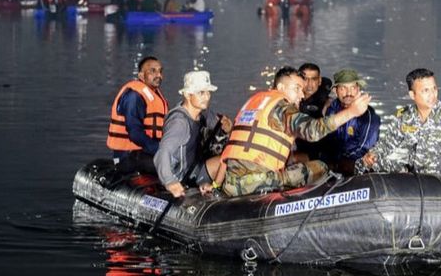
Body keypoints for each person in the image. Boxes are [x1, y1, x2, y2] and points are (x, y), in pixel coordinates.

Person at [219, 66, 371, 197]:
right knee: (321, 168)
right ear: (281, 88)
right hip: (255, 183)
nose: (302, 95)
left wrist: (215, 185)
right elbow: (312, 131)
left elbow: (230, 151)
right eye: (297, 89)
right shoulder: (282, 107)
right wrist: (351, 112)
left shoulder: (252, 104)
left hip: (231, 183)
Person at [359, 68, 441, 191]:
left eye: (434, 89)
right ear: (412, 94)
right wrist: (373, 155)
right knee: (365, 162)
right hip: (415, 178)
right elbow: (387, 144)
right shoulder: (405, 117)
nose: (432, 95)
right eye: (425, 91)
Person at [154, 71, 232, 198]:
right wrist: (169, 182)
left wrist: (227, 127)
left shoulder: (203, 113)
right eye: (201, 93)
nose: (207, 97)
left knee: (229, 156)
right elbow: (162, 153)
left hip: (195, 167)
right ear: (187, 94)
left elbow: (220, 125)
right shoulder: (179, 123)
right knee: (227, 161)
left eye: (208, 92)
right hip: (181, 177)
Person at [107, 56, 168, 174]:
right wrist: (160, 150)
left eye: (160, 71)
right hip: (128, 156)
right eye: (153, 71)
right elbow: (135, 133)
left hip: (145, 152)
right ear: (141, 75)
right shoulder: (133, 96)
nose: (158, 75)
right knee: (173, 167)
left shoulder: (156, 96)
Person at [320, 69, 380, 175]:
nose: (348, 93)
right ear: (335, 91)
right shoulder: (331, 109)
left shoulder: (368, 115)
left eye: (353, 88)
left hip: (357, 166)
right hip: (331, 163)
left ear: (358, 89)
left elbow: (364, 147)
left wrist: (339, 162)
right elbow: (326, 140)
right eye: (343, 88)